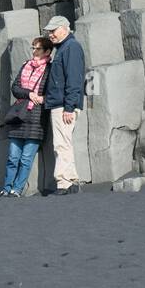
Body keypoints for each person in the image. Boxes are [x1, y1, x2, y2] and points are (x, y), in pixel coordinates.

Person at [0, 37, 53, 197]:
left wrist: (43, 98)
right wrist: (30, 94)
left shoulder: (50, 69)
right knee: (12, 158)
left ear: (47, 52)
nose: (34, 52)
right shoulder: (25, 66)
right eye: (33, 48)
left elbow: (51, 91)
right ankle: (6, 188)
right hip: (19, 117)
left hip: (37, 119)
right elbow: (15, 88)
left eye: (38, 49)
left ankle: (17, 189)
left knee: (25, 159)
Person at [43, 15, 85, 196]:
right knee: (65, 143)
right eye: (49, 31)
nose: (50, 34)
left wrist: (69, 107)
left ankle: (63, 182)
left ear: (64, 29)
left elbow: (74, 79)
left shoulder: (71, 47)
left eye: (53, 31)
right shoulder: (63, 48)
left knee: (61, 144)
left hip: (63, 105)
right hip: (62, 103)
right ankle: (72, 180)